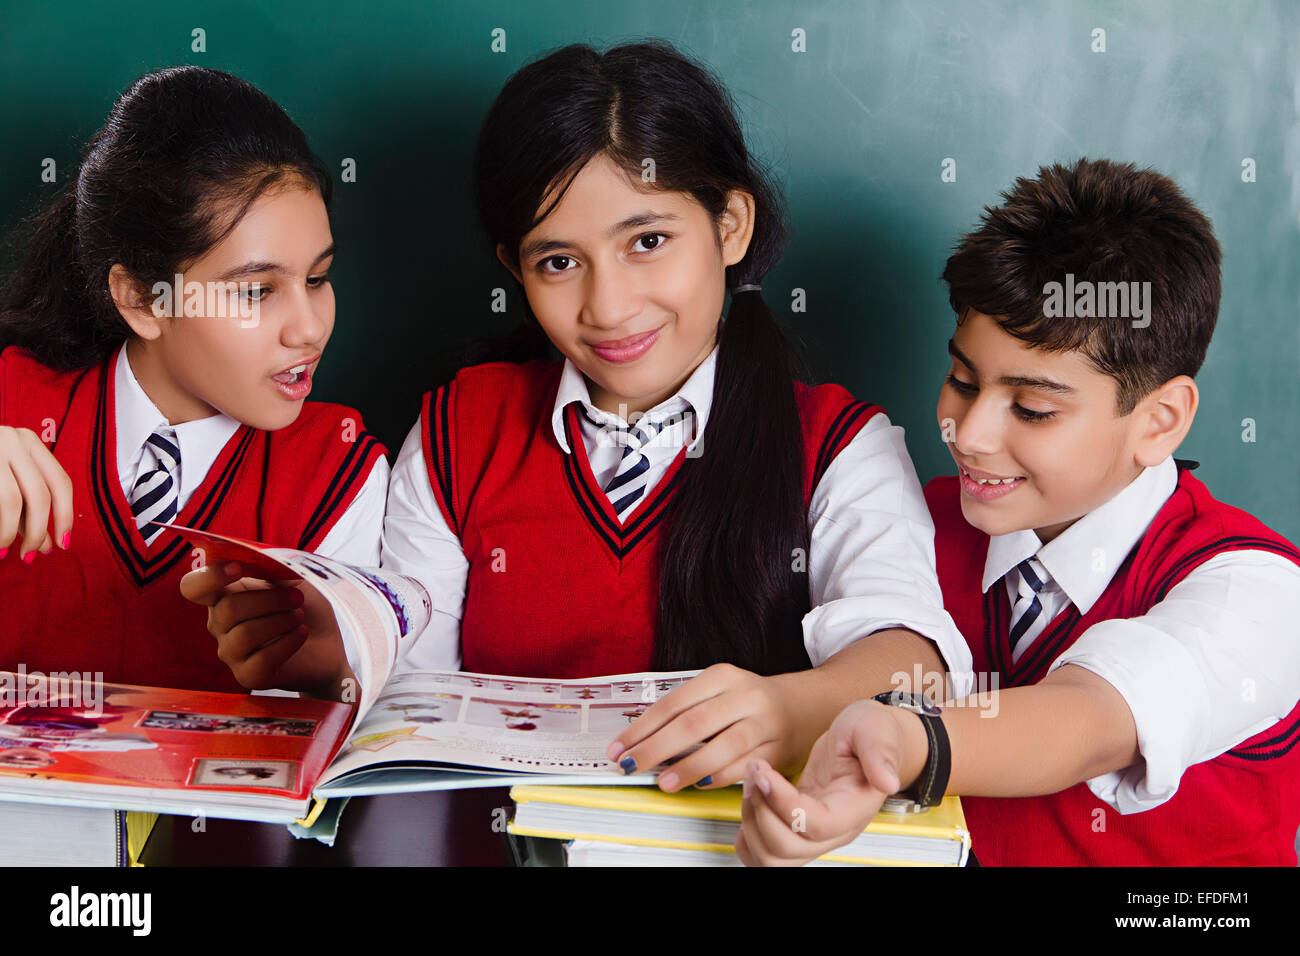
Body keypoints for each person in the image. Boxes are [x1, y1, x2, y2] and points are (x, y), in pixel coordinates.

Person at [186, 41, 973, 789]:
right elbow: (415, 688)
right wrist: (336, 659)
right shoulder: (462, 430)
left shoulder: (837, 444)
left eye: (649, 241)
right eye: (558, 262)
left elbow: (907, 656)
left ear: (731, 226)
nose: (609, 306)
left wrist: (789, 710)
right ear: (515, 269)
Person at [737, 158, 1300, 865]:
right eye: (961, 380)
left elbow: (1094, 714)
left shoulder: (1258, 590)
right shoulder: (908, 529)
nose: (967, 434)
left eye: (1033, 409)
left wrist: (912, 743)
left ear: (1159, 421)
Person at [0, 67, 388, 693]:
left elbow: (341, 709)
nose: (309, 328)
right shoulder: (13, 406)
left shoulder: (338, 469)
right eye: (258, 291)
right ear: (142, 300)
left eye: (317, 279)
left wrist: (334, 672)